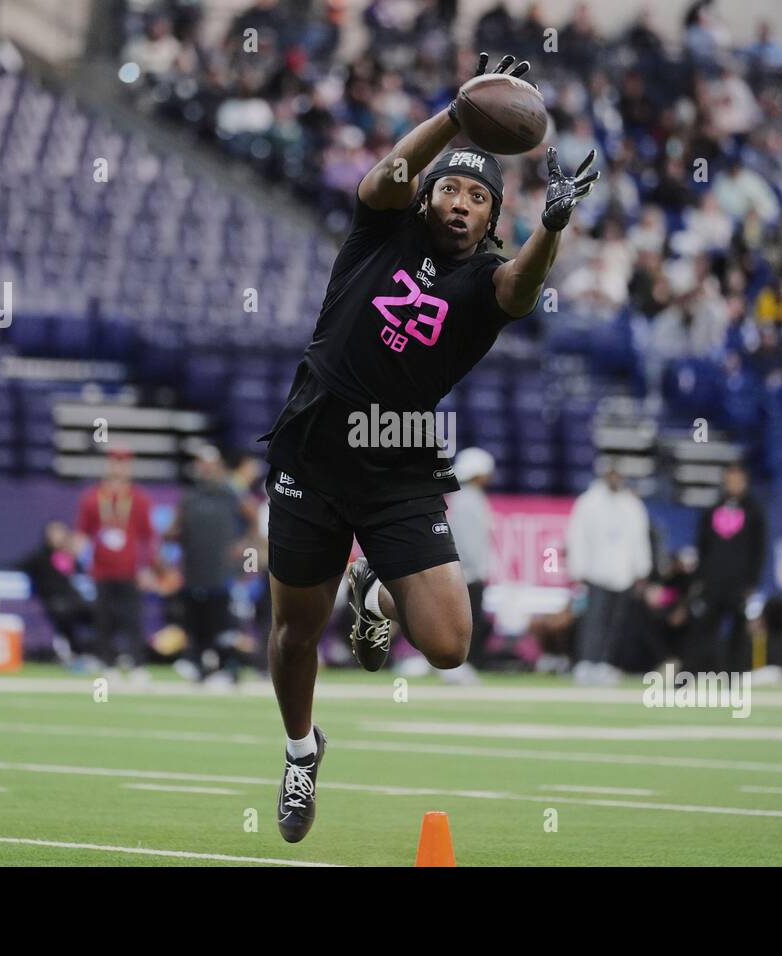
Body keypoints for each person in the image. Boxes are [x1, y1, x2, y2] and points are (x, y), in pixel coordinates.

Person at [256, 51, 600, 842]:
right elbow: (383, 174)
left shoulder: (486, 281)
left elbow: (521, 289)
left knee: (448, 645)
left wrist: (551, 224)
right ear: (429, 195)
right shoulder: (383, 228)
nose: (459, 203)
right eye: (449, 186)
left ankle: (374, 593)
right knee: (294, 631)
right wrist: (458, 113)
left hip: (397, 459)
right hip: (311, 448)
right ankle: (301, 751)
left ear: (493, 217)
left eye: (479, 196)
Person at [565, 456, 652, 686]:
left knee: (616, 624)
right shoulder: (589, 502)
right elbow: (577, 536)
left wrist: (641, 569)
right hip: (596, 572)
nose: (615, 478)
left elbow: (639, 539)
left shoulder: (631, 504)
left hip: (623, 573)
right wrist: (578, 569)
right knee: (593, 621)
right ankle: (586, 663)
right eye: (611, 474)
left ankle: (605, 664)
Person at [74, 447, 157, 676]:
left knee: (132, 619)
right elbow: (82, 532)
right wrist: (72, 558)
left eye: (124, 463)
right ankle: (107, 663)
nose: (119, 468)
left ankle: (137, 664)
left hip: (129, 570)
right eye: (115, 463)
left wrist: (147, 567)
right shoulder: (93, 497)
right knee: (103, 619)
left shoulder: (139, 498)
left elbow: (148, 537)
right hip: (101, 570)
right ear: (108, 465)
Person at [168, 446, 246, 686]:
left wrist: (244, 545)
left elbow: (252, 520)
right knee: (196, 625)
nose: (208, 469)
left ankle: (229, 668)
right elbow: (175, 529)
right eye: (204, 465)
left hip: (221, 572)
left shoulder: (230, 495)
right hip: (195, 570)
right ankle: (201, 666)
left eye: (212, 465)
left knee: (222, 623)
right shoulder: (190, 497)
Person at [691, 463, 767, 674]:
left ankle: (734, 678)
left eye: (738, 480)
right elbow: (702, 545)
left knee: (738, 633)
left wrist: (752, 581)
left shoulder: (754, 511)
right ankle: (689, 675)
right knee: (703, 630)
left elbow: (759, 548)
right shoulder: (713, 509)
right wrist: (701, 577)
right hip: (713, 582)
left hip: (739, 583)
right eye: (730, 480)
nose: (734, 484)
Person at [443, 446, 496, 681]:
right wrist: (477, 568)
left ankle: (463, 665)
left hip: (466, 570)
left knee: (470, 619)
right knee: (469, 619)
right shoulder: (468, 499)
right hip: (468, 572)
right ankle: (461, 667)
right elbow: (469, 540)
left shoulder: (463, 497)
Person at [19, 520, 95, 666]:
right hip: (54, 601)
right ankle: (77, 654)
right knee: (65, 614)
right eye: (54, 533)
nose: (57, 537)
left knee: (99, 613)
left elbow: (83, 570)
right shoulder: (38, 557)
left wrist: (75, 554)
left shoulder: (67, 556)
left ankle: (100, 653)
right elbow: (21, 565)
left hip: (74, 600)